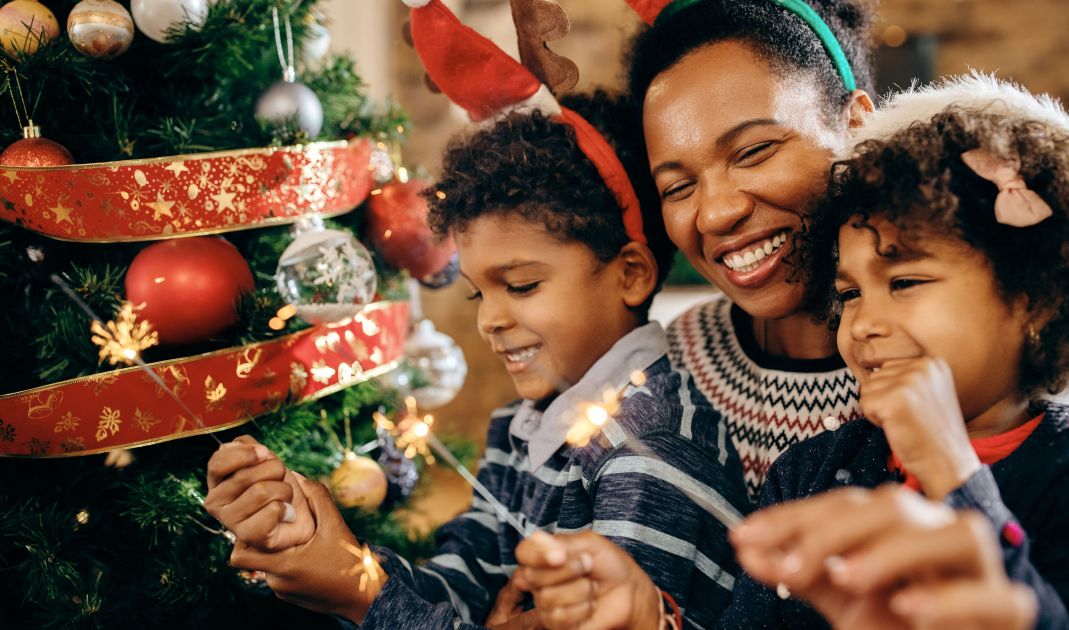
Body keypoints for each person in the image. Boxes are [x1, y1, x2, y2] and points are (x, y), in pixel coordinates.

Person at [204, 1, 749, 627]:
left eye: (519, 285)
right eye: (477, 293)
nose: (489, 320)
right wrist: (331, 553)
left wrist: (361, 597)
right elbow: (460, 588)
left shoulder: (647, 455)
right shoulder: (523, 426)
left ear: (630, 274)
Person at [723, 74, 1069, 628]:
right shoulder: (811, 473)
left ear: (1034, 299)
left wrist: (952, 469)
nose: (864, 322)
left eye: (905, 282)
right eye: (848, 293)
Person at [626, 0, 878, 502]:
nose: (715, 213)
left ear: (857, 126)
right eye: (677, 188)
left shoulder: (958, 363)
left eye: (753, 152)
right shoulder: (668, 376)